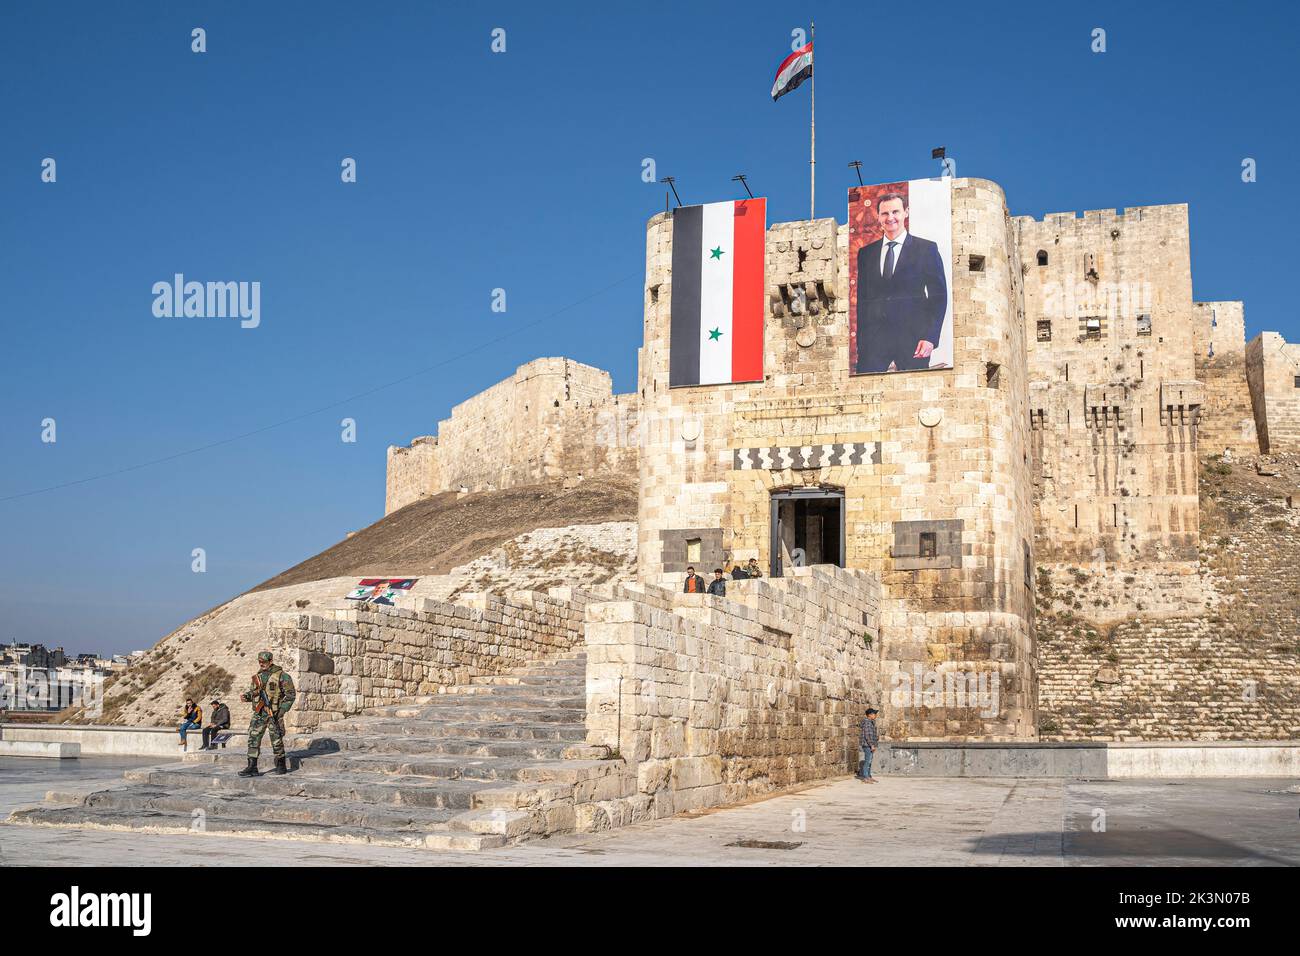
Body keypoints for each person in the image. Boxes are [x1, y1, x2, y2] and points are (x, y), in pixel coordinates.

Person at [854, 192, 948, 374]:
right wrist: (861, 343)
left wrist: (930, 337)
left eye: (895, 212)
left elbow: (938, 296)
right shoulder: (866, 253)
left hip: (913, 341)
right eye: (885, 214)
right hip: (874, 345)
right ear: (878, 217)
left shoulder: (926, 249)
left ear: (906, 212)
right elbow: (862, 301)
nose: (890, 218)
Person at [237, 651, 297, 777]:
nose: (261, 664)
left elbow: (290, 695)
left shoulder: (282, 676)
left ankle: (281, 764)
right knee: (253, 738)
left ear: (270, 661)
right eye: (259, 662)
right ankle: (252, 766)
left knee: (276, 739)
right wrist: (247, 696)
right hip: (259, 713)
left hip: (273, 713)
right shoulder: (257, 676)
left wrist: (281, 711)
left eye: (263, 662)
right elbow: (255, 693)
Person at [858, 707, 880, 783]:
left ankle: (869, 776)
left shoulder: (870, 722)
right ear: (870, 715)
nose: (875, 715)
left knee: (869, 761)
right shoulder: (867, 722)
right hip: (867, 745)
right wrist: (872, 745)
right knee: (867, 761)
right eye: (874, 714)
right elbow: (867, 735)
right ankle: (865, 777)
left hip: (869, 745)